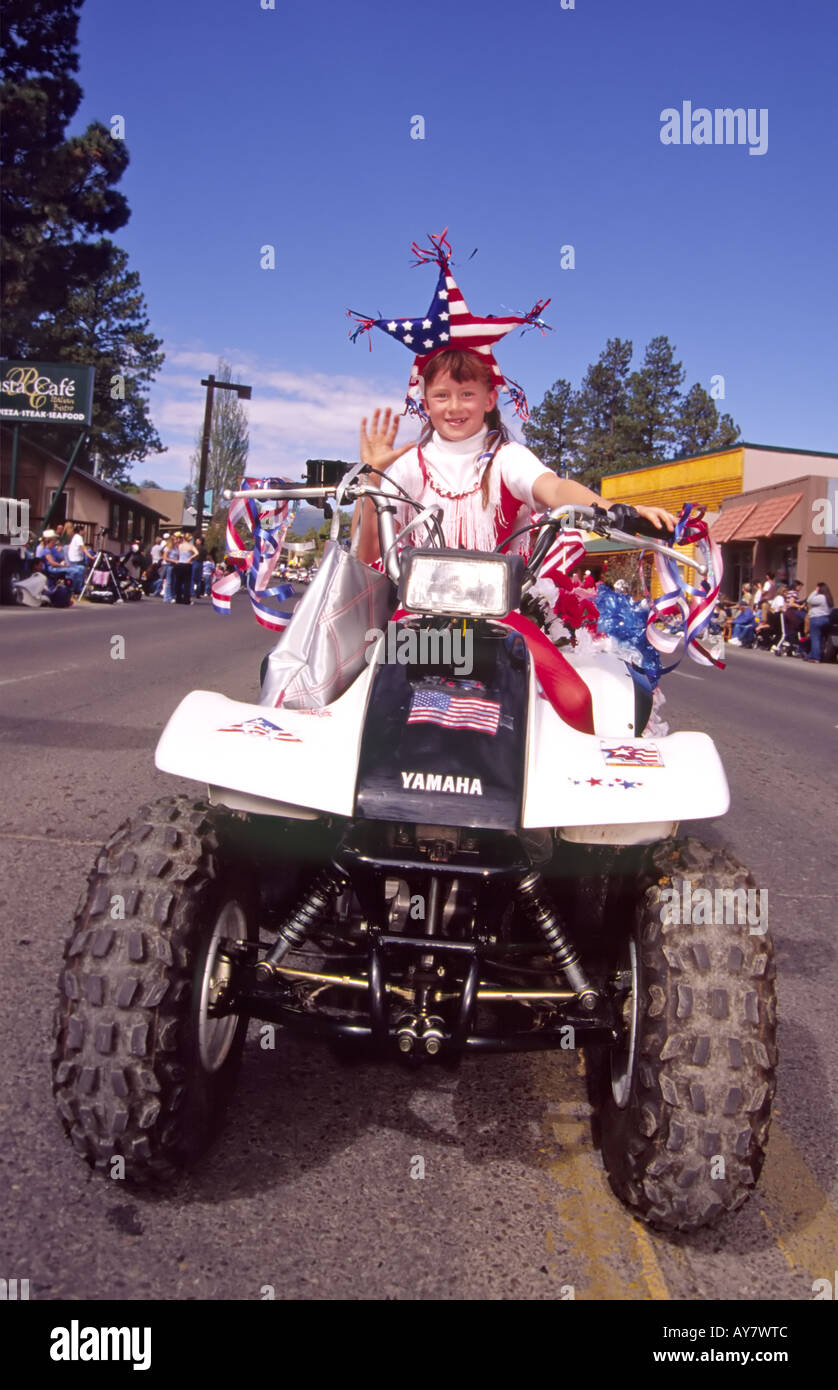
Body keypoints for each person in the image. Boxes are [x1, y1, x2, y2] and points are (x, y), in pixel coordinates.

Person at [348, 233, 676, 735]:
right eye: (441, 395)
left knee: (573, 697)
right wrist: (374, 477)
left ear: (488, 396)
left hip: (503, 618)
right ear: (424, 400)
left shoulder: (507, 458)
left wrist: (608, 507)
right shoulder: (409, 465)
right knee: (360, 688)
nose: (454, 406)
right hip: (416, 620)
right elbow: (365, 548)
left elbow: (553, 487)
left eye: (466, 393)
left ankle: (571, 797)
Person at [805, 581, 833, 661]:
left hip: (817, 619)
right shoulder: (828, 598)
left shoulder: (821, 597)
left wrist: (815, 591)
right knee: (820, 639)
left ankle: (816, 657)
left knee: (815, 638)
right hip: (826, 619)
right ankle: (811, 655)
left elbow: (809, 600)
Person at [173, 531, 198, 605]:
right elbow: (197, 553)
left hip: (180, 563)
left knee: (178, 582)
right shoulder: (191, 546)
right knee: (187, 582)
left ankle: (178, 598)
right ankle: (186, 599)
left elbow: (178, 554)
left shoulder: (180, 546)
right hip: (187, 564)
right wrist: (191, 558)